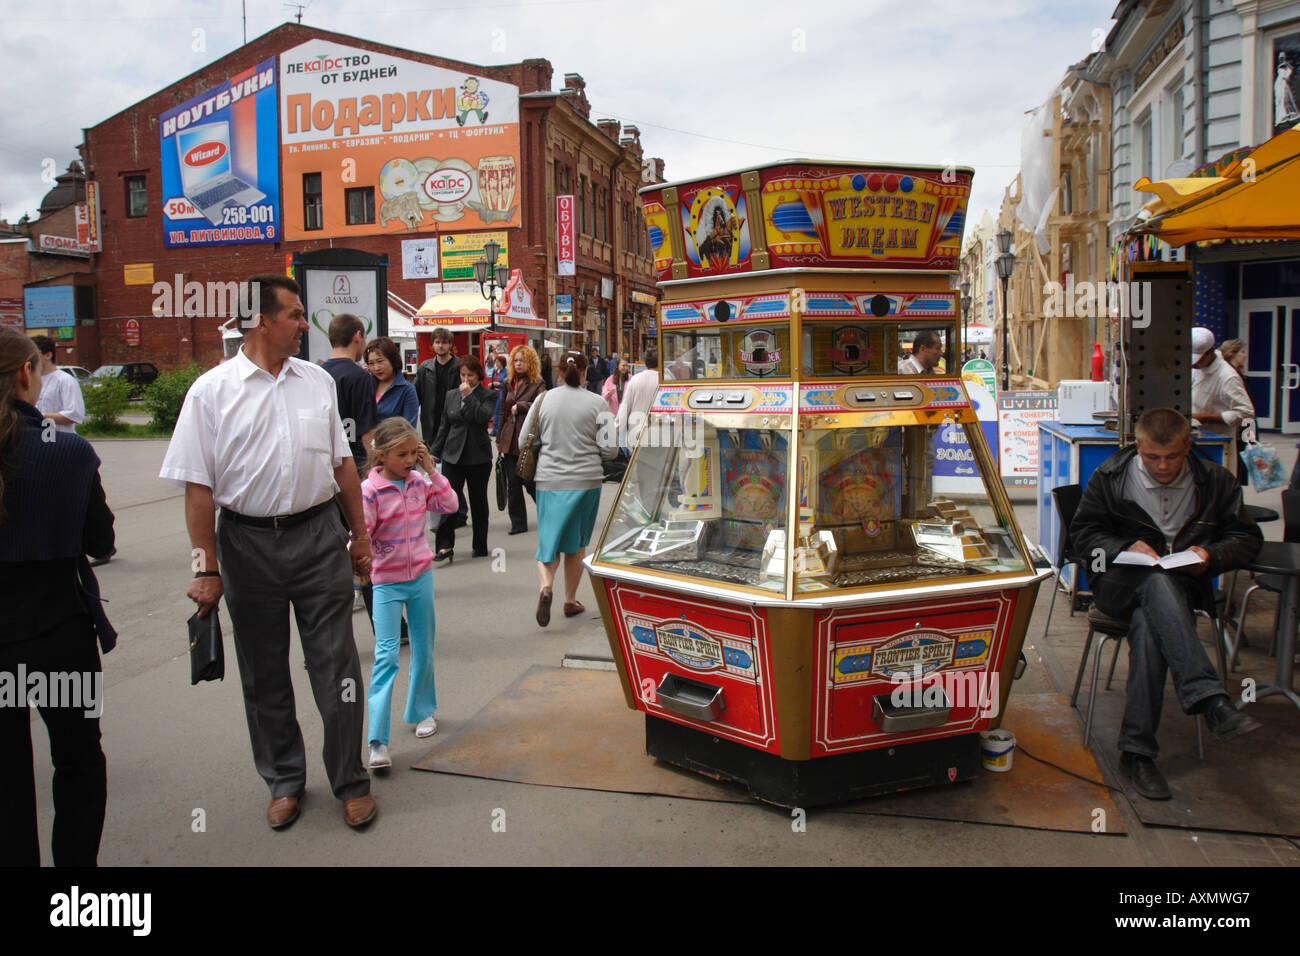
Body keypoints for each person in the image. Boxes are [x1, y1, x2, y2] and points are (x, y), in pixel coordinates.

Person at [159, 274, 377, 831]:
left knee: (337, 665)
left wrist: (361, 535)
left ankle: (351, 781)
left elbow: (342, 464)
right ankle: (283, 779)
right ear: (261, 320)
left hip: (318, 538)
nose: (306, 325)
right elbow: (197, 486)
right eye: (296, 315)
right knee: (263, 671)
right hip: (245, 544)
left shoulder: (317, 383)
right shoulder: (210, 391)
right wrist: (204, 567)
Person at [1069, 408, 1263, 801]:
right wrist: (1122, 546)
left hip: (1182, 586)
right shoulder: (1111, 478)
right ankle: (1209, 699)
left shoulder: (1215, 481)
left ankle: (1138, 753)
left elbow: (1246, 539)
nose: (1162, 466)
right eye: (1152, 457)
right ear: (1137, 446)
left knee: (1150, 628)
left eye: (1172, 457)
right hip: (1120, 585)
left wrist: (1211, 556)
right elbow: (1083, 540)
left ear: (1187, 447)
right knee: (1154, 581)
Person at [0, 328, 115, 866]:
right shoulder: (66, 451)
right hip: (59, 634)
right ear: (27, 374)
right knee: (77, 761)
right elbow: (100, 542)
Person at [360, 418, 458, 770]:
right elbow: (362, 534)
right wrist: (354, 562)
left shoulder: (419, 481)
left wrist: (431, 470)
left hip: (420, 578)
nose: (408, 460)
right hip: (385, 582)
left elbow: (450, 505)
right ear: (381, 456)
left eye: (413, 453)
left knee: (423, 648)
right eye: (401, 454)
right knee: (385, 657)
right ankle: (377, 740)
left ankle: (422, 711)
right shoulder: (369, 491)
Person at [519, 350, 618, 626]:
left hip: (550, 482)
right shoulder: (597, 403)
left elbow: (522, 443)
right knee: (576, 544)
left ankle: (546, 587)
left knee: (548, 543)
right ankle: (570, 600)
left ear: (559, 371)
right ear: (586, 371)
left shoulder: (543, 400)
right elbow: (610, 450)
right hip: (587, 482)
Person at [430, 354, 496, 561]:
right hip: (453, 454)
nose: (466, 380)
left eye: (471, 375)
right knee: (449, 499)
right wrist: (434, 452)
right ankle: (445, 545)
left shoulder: (488, 395)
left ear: (479, 376)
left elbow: (482, 418)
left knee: (478, 501)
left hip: (478, 455)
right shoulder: (451, 395)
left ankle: (480, 545)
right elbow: (444, 425)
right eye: (463, 375)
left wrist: (469, 396)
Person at [415, 327, 465, 528]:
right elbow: (416, 395)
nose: (440, 345)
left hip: (453, 426)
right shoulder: (425, 368)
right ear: (432, 345)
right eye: (437, 342)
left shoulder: (458, 366)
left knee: (451, 472)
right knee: (438, 472)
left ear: (450, 345)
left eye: (444, 342)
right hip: (431, 426)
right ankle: (451, 511)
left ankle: (458, 512)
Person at [496, 345, 546, 535]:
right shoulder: (508, 382)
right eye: (515, 360)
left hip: (526, 440)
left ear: (530, 363)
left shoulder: (537, 383)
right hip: (509, 439)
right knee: (512, 484)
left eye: (522, 360)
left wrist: (523, 405)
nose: (518, 364)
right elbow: (502, 410)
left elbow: (542, 405)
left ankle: (549, 514)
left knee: (529, 481)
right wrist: (499, 437)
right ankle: (518, 523)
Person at [32, 335, 85, 436]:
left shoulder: (65, 380)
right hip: (37, 441)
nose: (29, 358)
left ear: (47, 355)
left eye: (34, 354)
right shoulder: (30, 380)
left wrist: (38, 416)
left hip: (61, 441)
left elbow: (74, 414)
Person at [366, 336, 418, 428]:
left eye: (380, 361)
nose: (376, 368)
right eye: (371, 363)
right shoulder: (366, 386)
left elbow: (408, 429)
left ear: (393, 360)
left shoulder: (407, 390)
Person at [616, 347, 659, 453]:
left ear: (645, 363)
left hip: (636, 435)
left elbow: (624, 409)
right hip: (660, 434)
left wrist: (614, 431)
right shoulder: (666, 379)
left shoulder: (635, 379)